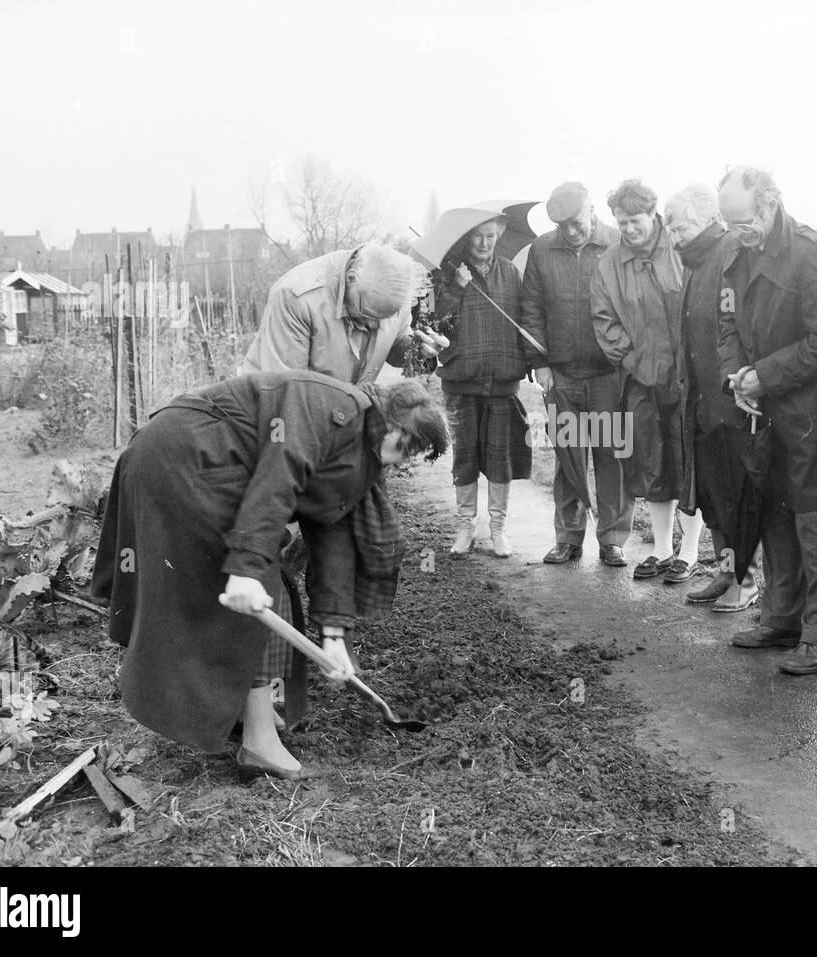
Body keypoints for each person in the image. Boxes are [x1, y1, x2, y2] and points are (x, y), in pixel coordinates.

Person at [91, 371, 449, 780]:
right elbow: (277, 482)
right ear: (392, 423)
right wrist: (245, 568)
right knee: (262, 594)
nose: (403, 460)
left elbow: (332, 531)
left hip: (206, 465)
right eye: (406, 448)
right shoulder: (333, 411)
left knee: (259, 593)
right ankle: (258, 742)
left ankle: (241, 713)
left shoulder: (360, 448)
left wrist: (334, 636)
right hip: (183, 458)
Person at [717, 167, 817, 675]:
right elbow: (727, 325)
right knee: (774, 513)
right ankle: (781, 617)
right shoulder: (738, 253)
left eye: (742, 222)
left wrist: (764, 375)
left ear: (768, 205)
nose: (735, 233)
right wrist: (735, 378)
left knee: (815, 518)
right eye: (729, 224)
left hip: (815, 415)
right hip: (764, 411)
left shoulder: (814, 255)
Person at [592, 179, 702, 581]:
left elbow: (699, 305)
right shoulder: (609, 263)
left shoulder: (680, 248)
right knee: (652, 462)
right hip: (641, 377)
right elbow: (604, 320)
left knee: (688, 460)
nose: (628, 229)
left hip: (688, 376)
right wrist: (635, 360)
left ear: (652, 214)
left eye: (635, 221)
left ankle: (688, 552)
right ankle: (660, 548)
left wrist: (688, 360)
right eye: (621, 222)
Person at [520, 182, 633, 567]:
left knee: (611, 457)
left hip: (609, 373)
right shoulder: (542, 250)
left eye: (577, 221)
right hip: (563, 375)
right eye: (562, 224)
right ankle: (568, 537)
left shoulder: (617, 243)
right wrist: (540, 363)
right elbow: (531, 308)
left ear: (591, 208)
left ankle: (613, 539)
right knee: (569, 459)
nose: (571, 231)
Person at [663, 184, 758, 611]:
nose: (674, 236)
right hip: (700, 398)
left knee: (737, 493)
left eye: (680, 226)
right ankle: (726, 570)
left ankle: (747, 580)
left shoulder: (729, 251)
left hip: (729, 396)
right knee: (715, 493)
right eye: (671, 228)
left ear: (706, 220)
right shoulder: (694, 262)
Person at [435, 217, 533, 558]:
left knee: (500, 456)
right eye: (477, 236)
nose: (484, 243)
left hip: (502, 378)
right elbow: (434, 325)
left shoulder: (510, 273)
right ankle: (466, 528)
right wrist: (455, 288)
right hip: (461, 377)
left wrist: (530, 361)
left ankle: (498, 529)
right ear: (467, 237)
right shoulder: (448, 274)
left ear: (499, 237)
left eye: (491, 236)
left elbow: (524, 319)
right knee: (464, 457)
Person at [240, 243, 443, 385]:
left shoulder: (397, 295)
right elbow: (284, 389)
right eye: (367, 313)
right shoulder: (298, 297)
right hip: (281, 415)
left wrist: (418, 351)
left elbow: (395, 343)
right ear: (351, 278)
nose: (373, 326)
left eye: (384, 319)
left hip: (340, 417)